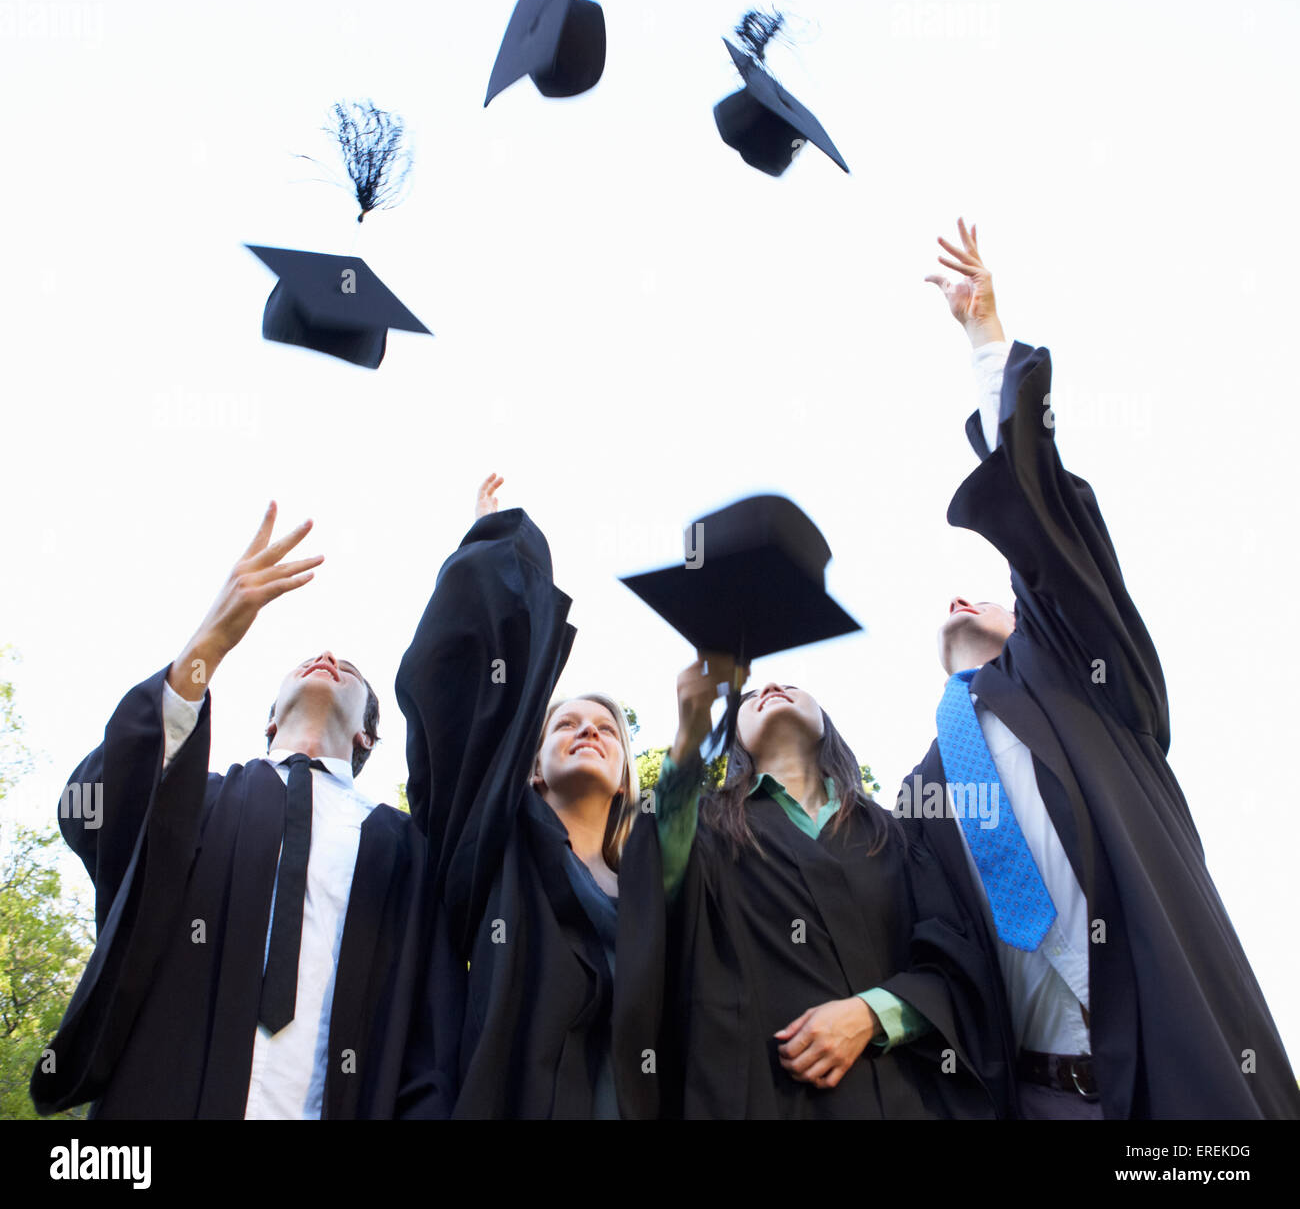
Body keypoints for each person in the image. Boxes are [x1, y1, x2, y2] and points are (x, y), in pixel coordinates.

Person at [901, 219, 1300, 1119]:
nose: (967, 602)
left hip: (1173, 1070)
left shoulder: (1086, 683)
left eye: (993, 596)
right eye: (950, 606)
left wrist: (985, 346)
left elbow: (1052, 542)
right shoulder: (922, 790)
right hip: (1043, 1101)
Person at [30, 503, 437, 1119]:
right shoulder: (201, 802)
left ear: (367, 738)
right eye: (307, 662)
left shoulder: (402, 845)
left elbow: (427, 1032)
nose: (328, 656)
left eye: (349, 670)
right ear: (270, 718)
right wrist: (206, 648)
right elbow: (93, 811)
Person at [395, 475, 662, 1119]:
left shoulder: (663, 886)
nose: (589, 730)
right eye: (565, 723)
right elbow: (459, 695)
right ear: (533, 766)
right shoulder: (495, 845)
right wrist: (488, 557)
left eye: (606, 728)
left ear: (628, 774)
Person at [649, 656, 1013, 1119]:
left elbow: (957, 962)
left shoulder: (895, 834)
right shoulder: (708, 829)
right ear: (735, 740)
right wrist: (690, 736)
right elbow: (656, 882)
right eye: (753, 696)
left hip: (908, 1099)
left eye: (793, 686)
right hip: (767, 1099)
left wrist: (871, 1013)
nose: (774, 686)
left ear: (826, 725)